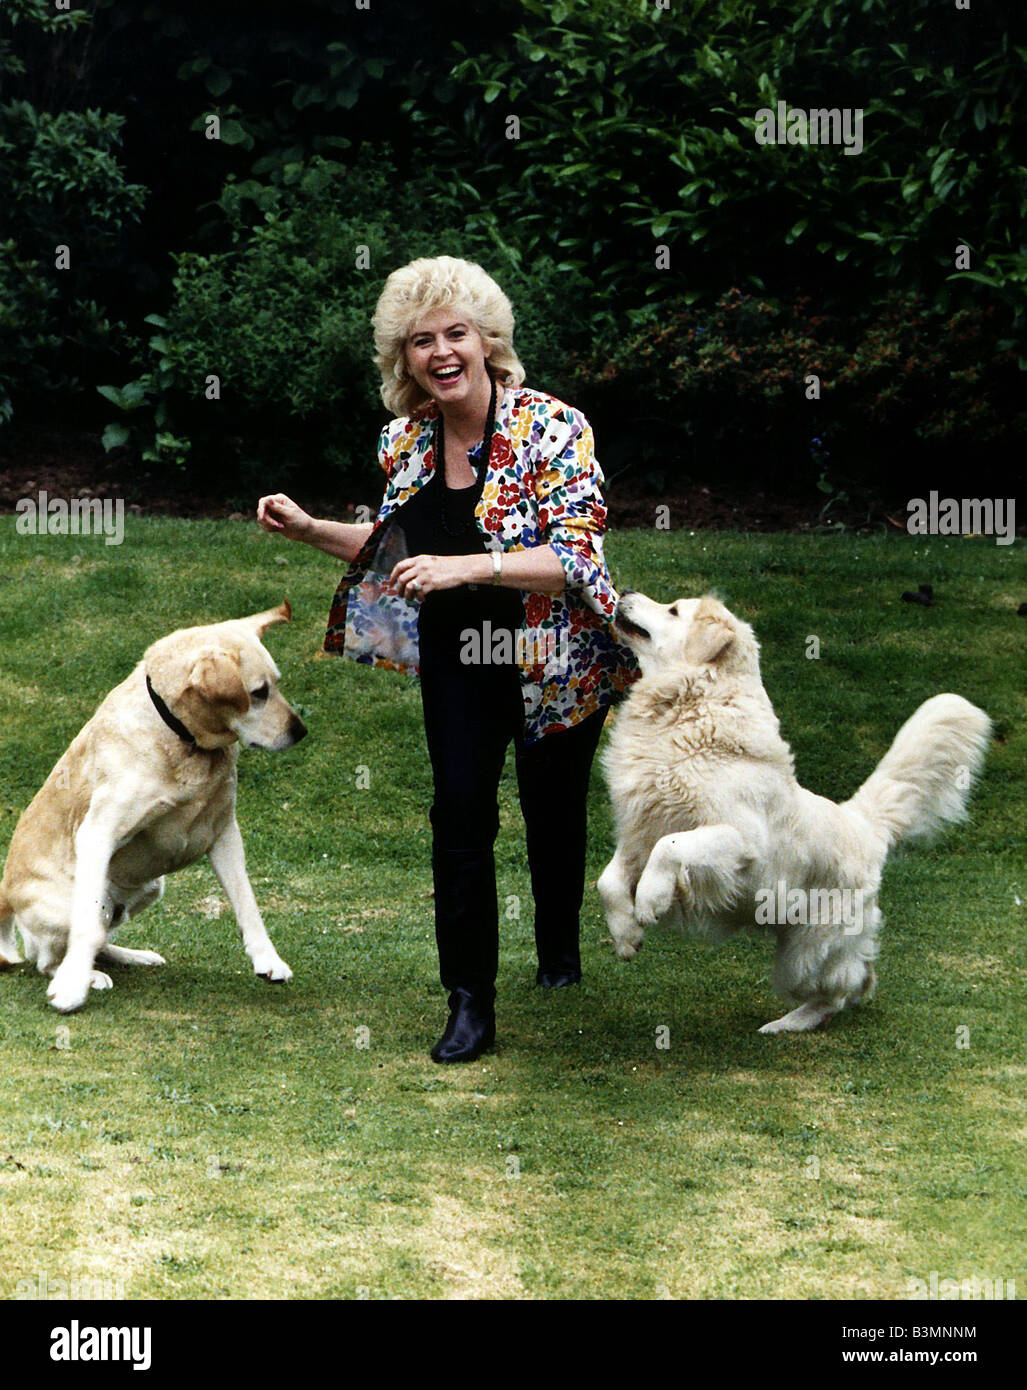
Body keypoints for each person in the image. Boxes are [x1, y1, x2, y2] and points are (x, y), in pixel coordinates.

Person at [257, 255, 636, 1063]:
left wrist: (467, 567)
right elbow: (397, 548)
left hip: (552, 652)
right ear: (404, 359)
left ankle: (557, 948)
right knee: (459, 812)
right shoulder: (405, 440)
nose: (441, 353)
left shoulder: (553, 427)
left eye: (455, 333)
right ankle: (469, 1002)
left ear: (487, 340)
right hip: (459, 653)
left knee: (553, 806)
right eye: (421, 341)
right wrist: (312, 529)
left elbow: (577, 561)